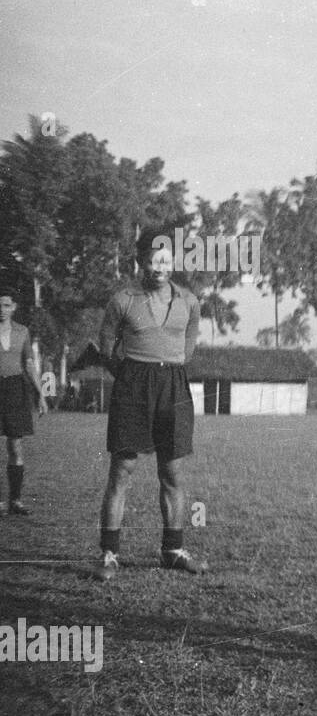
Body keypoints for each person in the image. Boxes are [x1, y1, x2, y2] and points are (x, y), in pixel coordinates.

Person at [92, 229, 207, 580]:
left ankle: (172, 550)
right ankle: (109, 555)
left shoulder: (189, 301)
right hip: (133, 387)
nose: (159, 266)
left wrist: (165, 366)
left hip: (173, 386)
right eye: (153, 259)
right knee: (121, 471)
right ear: (141, 261)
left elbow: (187, 348)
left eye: (165, 260)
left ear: (173, 263)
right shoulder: (123, 299)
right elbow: (106, 345)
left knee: (172, 473)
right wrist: (131, 374)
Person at [0, 289, 47, 515]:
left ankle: (15, 500)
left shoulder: (22, 332)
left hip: (16, 390)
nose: (2, 309)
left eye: (6, 305)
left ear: (14, 307)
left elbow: (29, 364)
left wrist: (41, 394)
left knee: (15, 445)